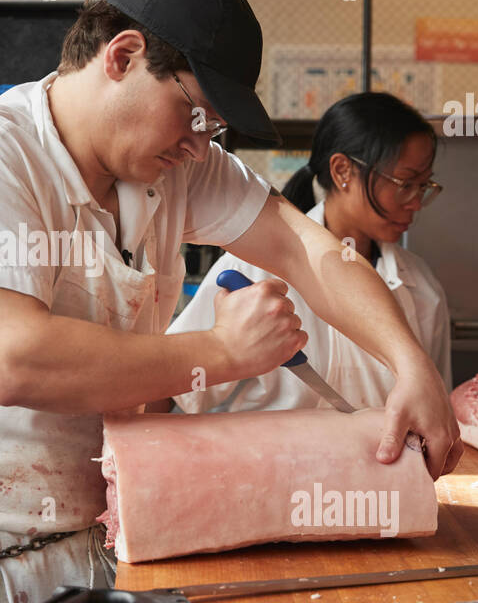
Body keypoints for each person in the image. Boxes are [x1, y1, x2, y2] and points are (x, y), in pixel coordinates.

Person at [0, 0, 462, 603]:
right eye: (194, 116)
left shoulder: (177, 168)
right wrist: (221, 351)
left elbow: (307, 249)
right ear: (123, 56)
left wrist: (413, 367)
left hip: (93, 547)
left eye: (213, 128)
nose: (200, 144)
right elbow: (15, 360)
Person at [169, 92, 451, 414]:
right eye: (405, 183)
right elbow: (176, 391)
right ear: (343, 171)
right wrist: (225, 348)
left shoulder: (422, 287)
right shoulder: (254, 271)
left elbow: (434, 404)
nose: (415, 202)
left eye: (424, 187)